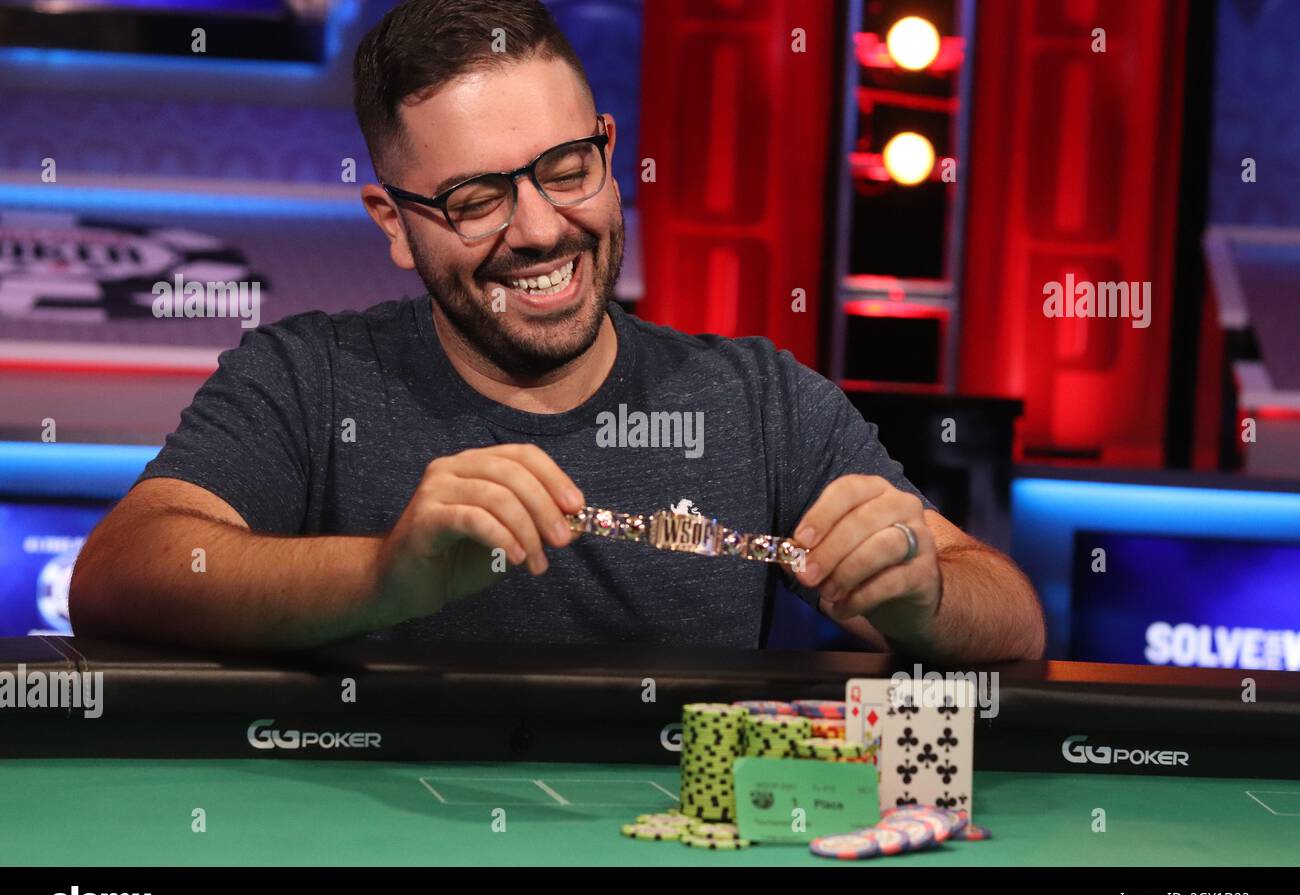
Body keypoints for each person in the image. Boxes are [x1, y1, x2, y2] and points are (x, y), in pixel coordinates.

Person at [69, 0, 1044, 661]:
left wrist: (921, 600)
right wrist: (383, 573)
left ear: (608, 153)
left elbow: (1009, 611)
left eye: (566, 169)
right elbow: (118, 573)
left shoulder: (754, 396)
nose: (538, 227)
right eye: (476, 196)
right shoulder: (311, 377)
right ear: (394, 224)